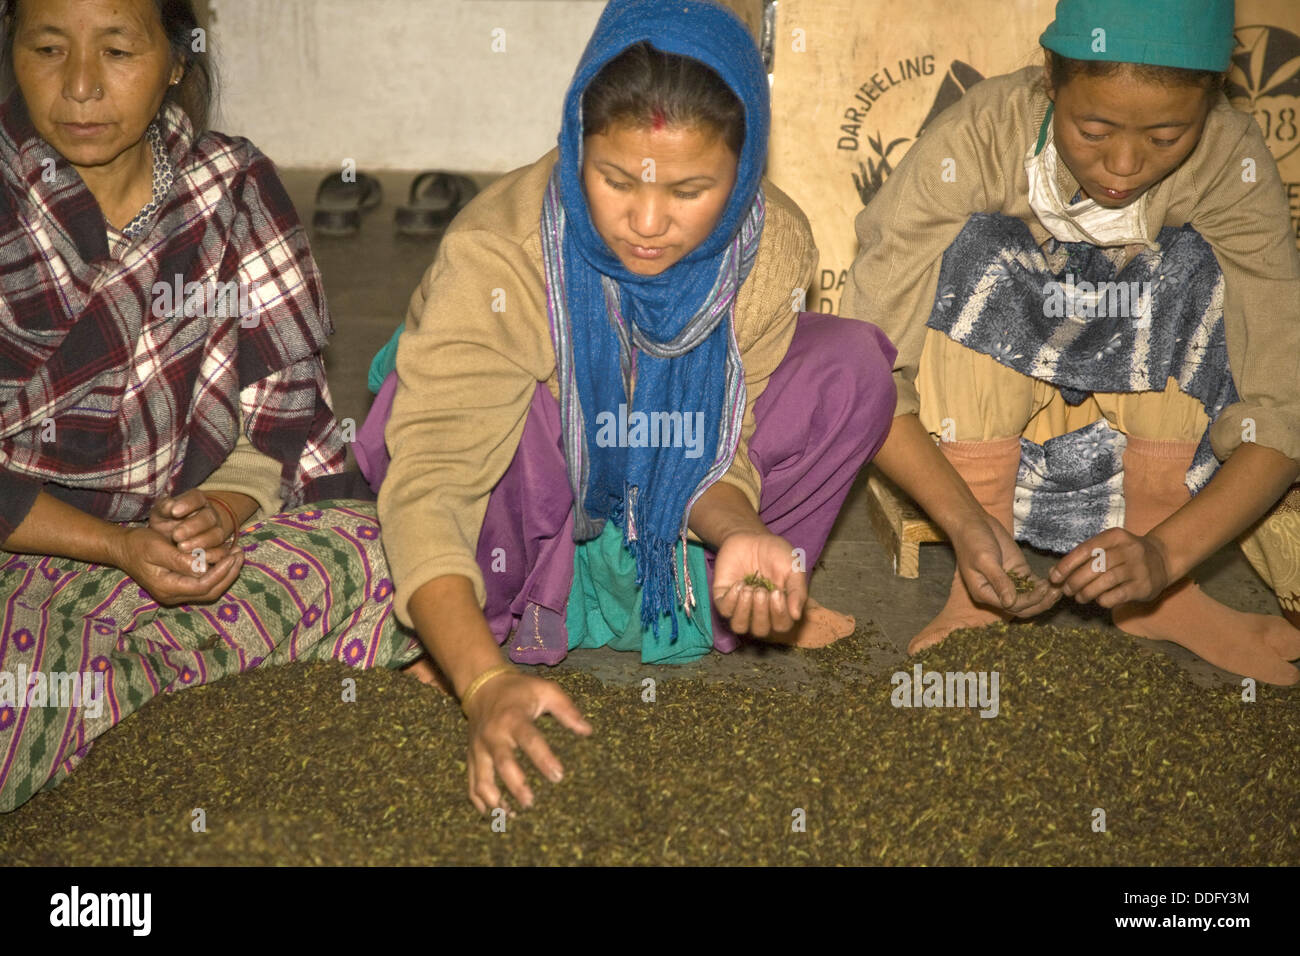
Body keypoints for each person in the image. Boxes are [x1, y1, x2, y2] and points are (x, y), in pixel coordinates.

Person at [364, 0, 1034, 816]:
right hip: (543, 491)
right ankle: (489, 622)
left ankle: (702, 589)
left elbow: (722, 439)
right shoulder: (501, 254)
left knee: (852, 365)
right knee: (472, 413)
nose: (647, 224)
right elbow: (434, 477)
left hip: (669, 488)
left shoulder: (771, 244)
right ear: (580, 146)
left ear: (744, 169)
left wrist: (741, 527)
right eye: (615, 180)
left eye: (690, 189)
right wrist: (484, 683)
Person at [0, 0, 422, 812]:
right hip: (29, 547)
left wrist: (217, 514)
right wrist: (116, 548)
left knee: (386, 553)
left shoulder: (228, 186)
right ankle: (154, 688)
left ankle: (118, 694)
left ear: (176, 62)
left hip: (172, 539)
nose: (81, 86)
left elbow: (282, 407)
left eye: (118, 50)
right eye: (48, 48)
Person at [843, 0, 1300, 685]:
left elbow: (1283, 402)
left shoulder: (1229, 160)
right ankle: (984, 586)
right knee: (976, 249)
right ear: (1050, 82)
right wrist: (964, 522)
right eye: (1093, 128)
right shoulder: (980, 138)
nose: (1124, 163)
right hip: (990, 457)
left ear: (1211, 104)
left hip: (1138, 471)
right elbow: (866, 367)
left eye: (1167, 136)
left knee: (1191, 264)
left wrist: (1164, 559)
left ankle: (1163, 603)